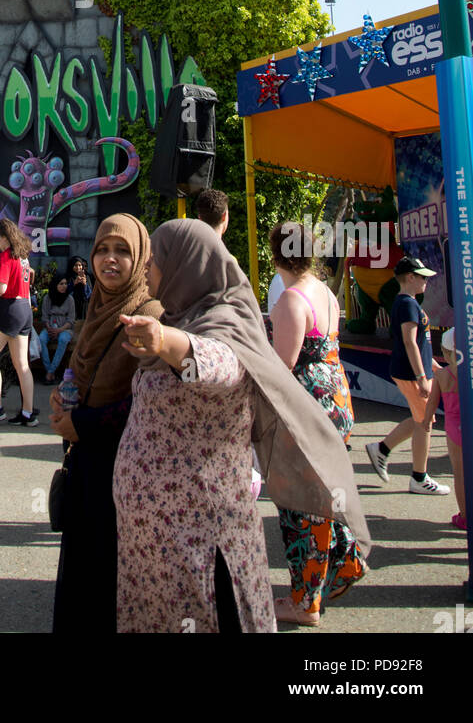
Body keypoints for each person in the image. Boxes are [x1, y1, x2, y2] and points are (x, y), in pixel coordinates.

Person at [112, 219, 370, 634]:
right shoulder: (184, 315)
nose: (144, 266)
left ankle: (308, 598)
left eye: (154, 258)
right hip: (163, 544)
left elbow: (224, 365)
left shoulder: (222, 320)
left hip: (203, 540)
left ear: (186, 263)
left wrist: (167, 343)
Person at [50, 214, 163, 634]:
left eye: (122, 251)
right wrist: (63, 396)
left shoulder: (150, 315)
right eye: (102, 249)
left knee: (110, 585)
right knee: (80, 581)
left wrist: (85, 423)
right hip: (85, 467)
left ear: (141, 258)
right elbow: (81, 371)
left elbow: (151, 402)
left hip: (125, 474)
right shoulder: (96, 307)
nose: (109, 260)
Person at [268, 221, 367, 626]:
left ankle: (305, 600)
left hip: (308, 413)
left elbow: (281, 367)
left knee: (301, 506)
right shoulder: (325, 293)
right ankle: (343, 567)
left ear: (276, 255)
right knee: (327, 496)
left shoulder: (290, 300)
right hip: (337, 402)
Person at [366, 256, 449, 495]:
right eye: (422, 277)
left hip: (416, 371)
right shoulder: (407, 304)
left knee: (421, 419)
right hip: (412, 374)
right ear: (410, 278)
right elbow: (409, 342)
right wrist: (422, 376)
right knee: (425, 423)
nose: (426, 281)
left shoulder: (408, 302)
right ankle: (419, 477)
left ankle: (382, 448)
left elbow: (419, 345)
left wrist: (434, 368)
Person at [0, 219, 37, 426]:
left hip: (9, 309)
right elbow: (30, 280)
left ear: (5, 237)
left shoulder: (5, 257)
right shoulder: (23, 258)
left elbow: (1, 288)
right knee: (22, 365)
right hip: (25, 309)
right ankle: (28, 413)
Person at [424, 328, 465, 529]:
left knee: (460, 473)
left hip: (453, 428)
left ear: (445, 351)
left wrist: (426, 420)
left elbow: (432, 402)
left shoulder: (442, 375)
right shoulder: (468, 374)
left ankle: (464, 516)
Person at [39, 276, 76, 383]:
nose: (64, 286)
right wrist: (49, 328)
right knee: (41, 339)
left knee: (63, 340)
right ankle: (50, 370)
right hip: (50, 327)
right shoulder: (47, 298)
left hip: (65, 328)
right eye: (61, 284)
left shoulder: (70, 299)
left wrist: (59, 330)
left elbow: (71, 320)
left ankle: (50, 372)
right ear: (55, 285)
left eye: (65, 284)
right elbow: (45, 316)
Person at [66, 256, 92, 321]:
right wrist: (74, 283)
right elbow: (65, 292)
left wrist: (85, 284)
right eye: (75, 265)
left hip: (84, 306)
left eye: (80, 265)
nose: (78, 268)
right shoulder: (68, 277)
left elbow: (90, 294)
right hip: (72, 305)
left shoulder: (87, 277)